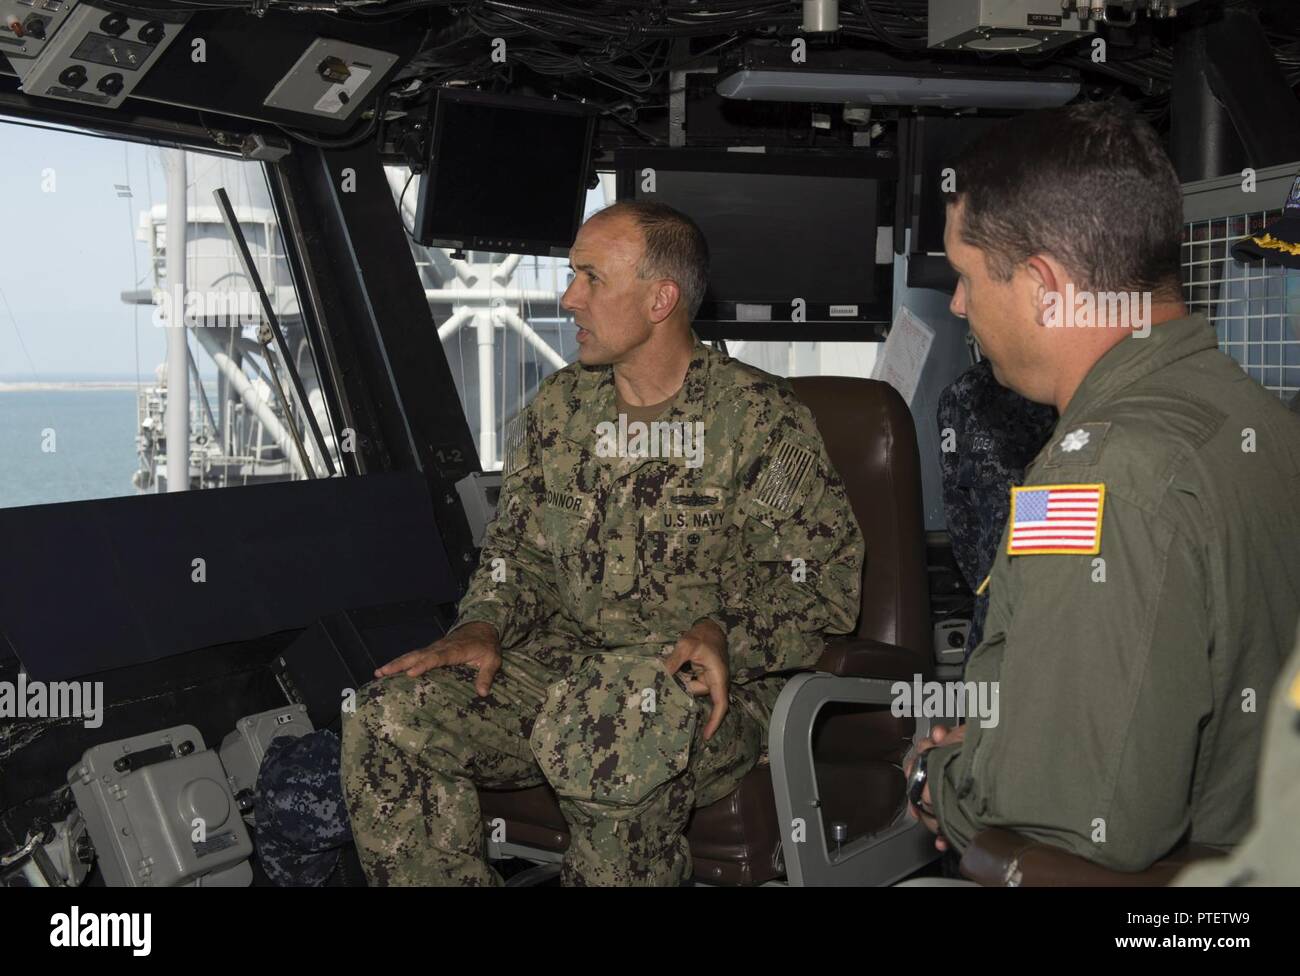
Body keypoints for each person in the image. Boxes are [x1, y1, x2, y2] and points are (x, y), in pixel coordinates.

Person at [341, 200, 864, 886]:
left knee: (613, 721)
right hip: (562, 673)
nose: (568, 298)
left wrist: (722, 631)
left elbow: (817, 585)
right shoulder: (560, 410)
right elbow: (516, 553)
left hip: (701, 689)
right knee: (387, 717)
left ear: (660, 299)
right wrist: (483, 623)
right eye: (570, 275)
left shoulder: (758, 418)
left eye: (591, 278)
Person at [907, 100, 1300, 873]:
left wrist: (936, 777)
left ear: (1046, 287)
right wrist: (998, 747)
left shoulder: (1097, 476)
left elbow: (1072, 831)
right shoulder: (1257, 419)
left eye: (965, 275)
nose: (958, 305)